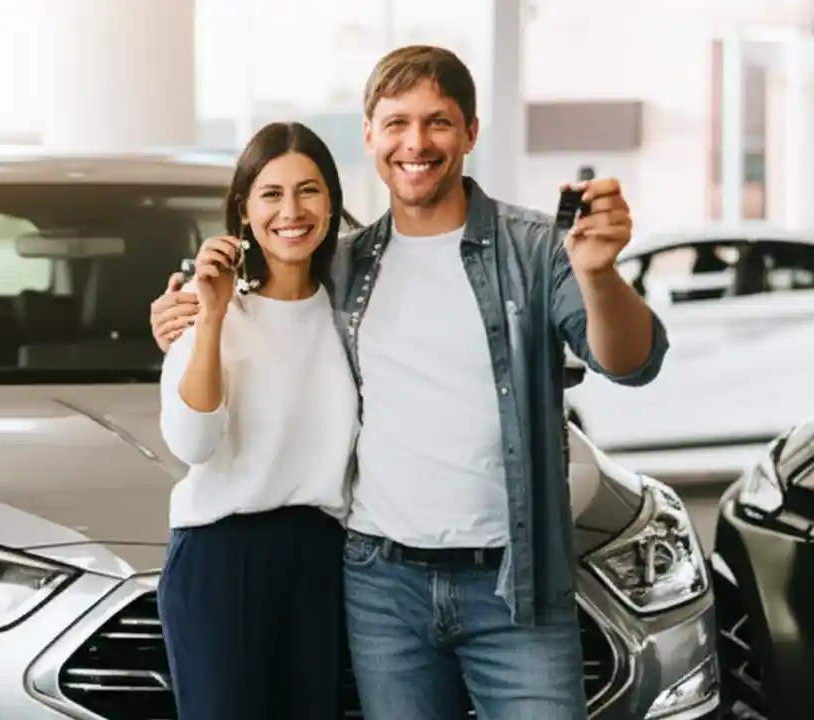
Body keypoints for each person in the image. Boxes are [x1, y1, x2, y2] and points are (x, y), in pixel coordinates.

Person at [150, 46, 669, 719]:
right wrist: (191, 313)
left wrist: (598, 275)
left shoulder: (537, 249)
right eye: (397, 123)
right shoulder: (347, 265)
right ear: (369, 135)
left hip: (513, 585)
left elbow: (631, 362)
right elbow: (264, 318)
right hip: (382, 586)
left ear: (471, 132)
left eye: (438, 122)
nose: (416, 143)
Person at [156, 121, 358, 719]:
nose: (291, 211)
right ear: (244, 211)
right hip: (222, 560)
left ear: (331, 203)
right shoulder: (208, 311)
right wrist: (211, 319)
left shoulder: (351, 311)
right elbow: (192, 442)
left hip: (322, 561)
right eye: (271, 194)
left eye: (308, 190)